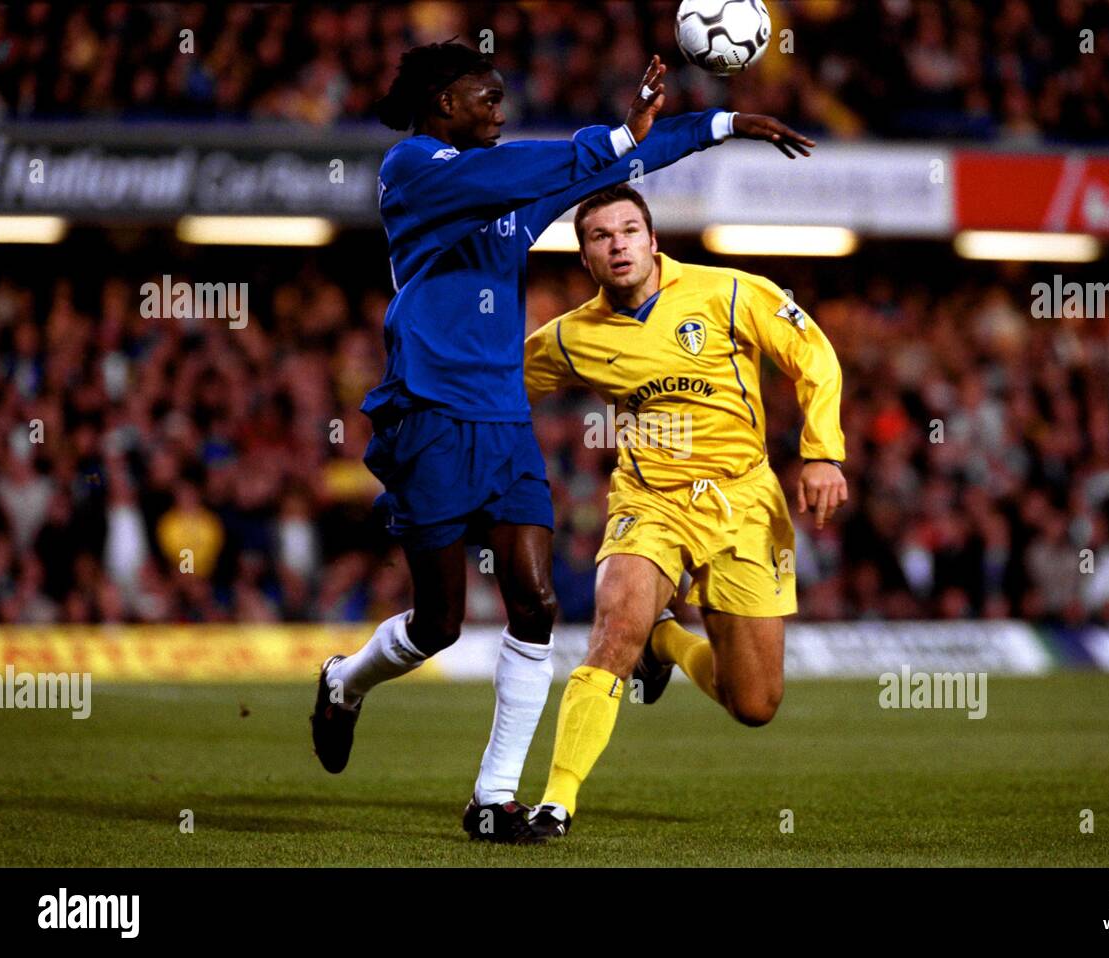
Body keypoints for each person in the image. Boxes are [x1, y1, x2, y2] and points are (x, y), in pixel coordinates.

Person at [310, 40, 817, 844]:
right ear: (444, 102)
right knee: (439, 622)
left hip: (504, 421)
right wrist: (609, 138)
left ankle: (495, 797)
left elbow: (606, 175)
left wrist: (720, 123)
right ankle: (345, 681)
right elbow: (520, 173)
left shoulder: (503, 186)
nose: (500, 111)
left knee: (537, 604)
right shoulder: (413, 170)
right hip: (430, 418)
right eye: (488, 97)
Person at [521, 184, 848, 839]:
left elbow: (813, 354)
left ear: (652, 239)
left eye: (628, 231)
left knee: (753, 704)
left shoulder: (730, 291)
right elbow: (491, 383)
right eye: (600, 237)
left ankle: (665, 640)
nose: (617, 245)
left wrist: (822, 452)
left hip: (744, 503)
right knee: (613, 634)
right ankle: (556, 802)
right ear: (583, 258)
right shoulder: (571, 338)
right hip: (649, 503)